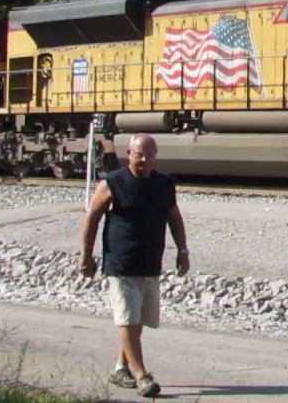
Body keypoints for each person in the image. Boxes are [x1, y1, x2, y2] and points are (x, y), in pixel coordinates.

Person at [78, 132, 189, 397]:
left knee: (137, 320)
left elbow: (175, 218)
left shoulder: (164, 183)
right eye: (139, 154)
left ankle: (120, 368)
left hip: (150, 263)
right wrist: (85, 255)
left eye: (150, 155)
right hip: (120, 263)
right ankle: (142, 375)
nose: (145, 160)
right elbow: (91, 218)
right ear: (128, 154)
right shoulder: (112, 183)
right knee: (127, 319)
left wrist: (182, 250)